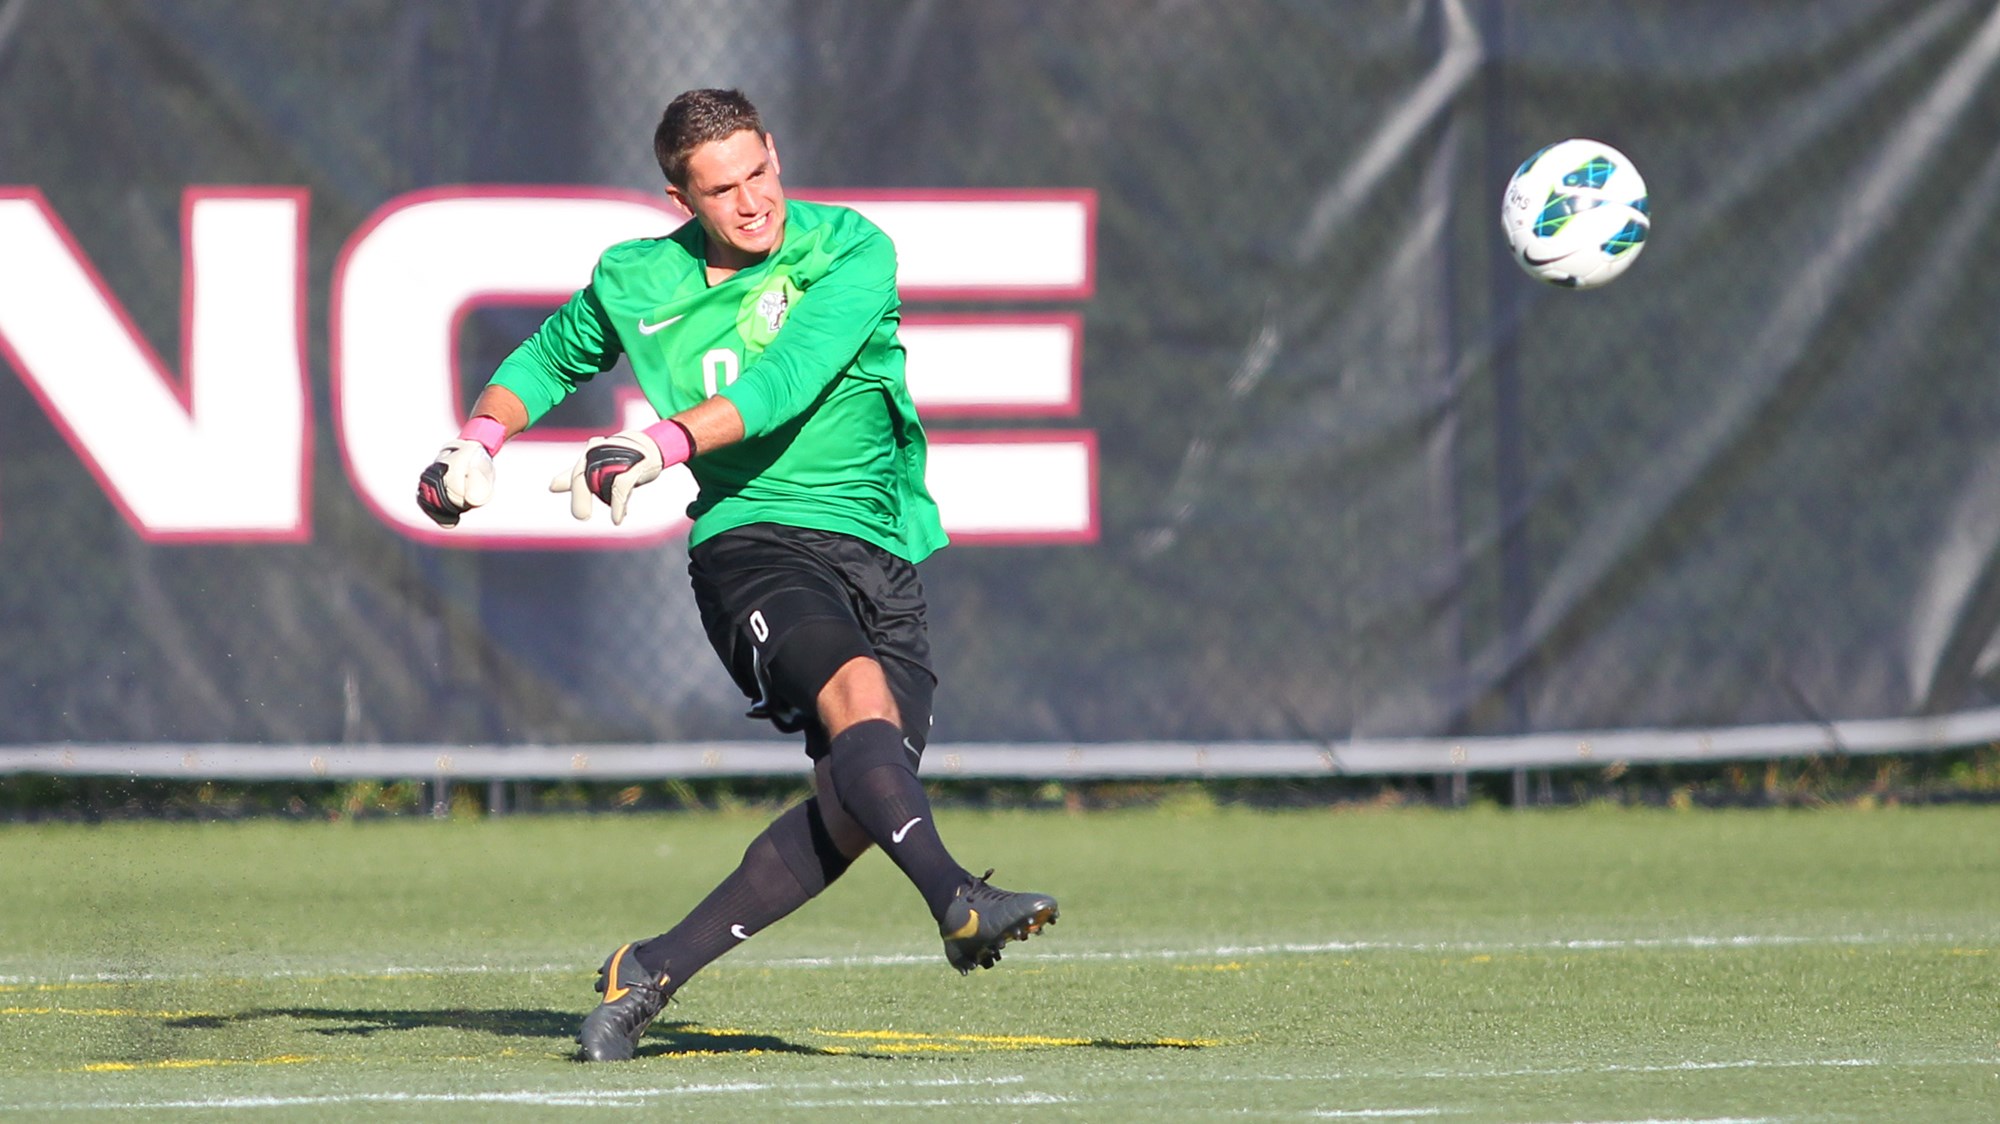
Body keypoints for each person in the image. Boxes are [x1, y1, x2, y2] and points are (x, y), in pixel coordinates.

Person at [414, 88, 1058, 1063]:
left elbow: (783, 380)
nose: (751, 200)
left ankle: (650, 969)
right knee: (854, 699)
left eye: (759, 171)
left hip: (880, 552)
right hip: (752, 544)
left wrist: (656, 443)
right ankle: (955, 896)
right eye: (721, 188)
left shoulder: (850, 248)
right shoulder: (638, 277)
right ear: (680, 196)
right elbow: (550, 355)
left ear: (776, 156)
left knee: (856, 800)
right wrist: (479, 441)